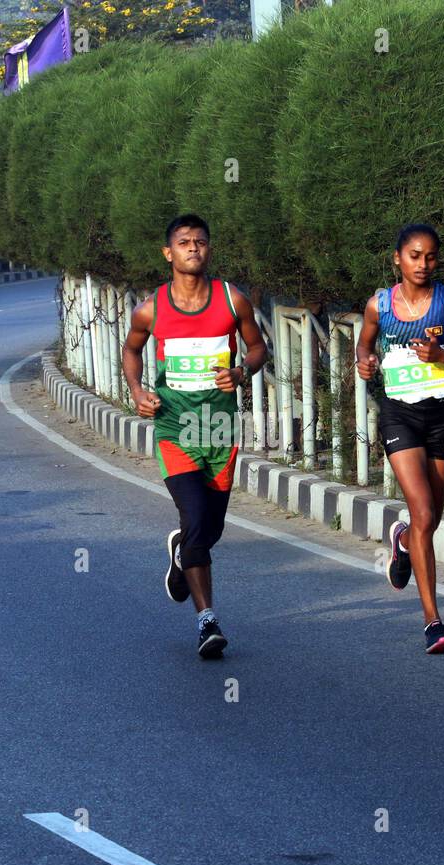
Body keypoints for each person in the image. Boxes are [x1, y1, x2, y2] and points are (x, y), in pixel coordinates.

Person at [122, 214, 267, 659]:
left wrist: (242, 371)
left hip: (220, 429)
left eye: (200, 242)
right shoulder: (152, 307)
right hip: (174, 429)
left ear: (209, 249)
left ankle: (181, 551)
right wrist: (136, 390)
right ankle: (208, 622)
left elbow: (258, 346)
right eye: (183, 243)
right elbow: (131, 348)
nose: (192, 249)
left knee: (209, 528)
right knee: (198, 525)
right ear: (169, 253)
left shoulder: (231, 300)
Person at [356, 224, 444, 653]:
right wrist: (365, 362)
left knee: (428, 521)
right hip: (399, 417)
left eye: (430, 257)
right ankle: (434, 621)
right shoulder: (379, 305)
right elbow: (363, 345)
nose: (423, 264)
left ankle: (401, 540)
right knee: (423, 509)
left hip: (440, 418)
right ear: (397, 258)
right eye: (415, 256)